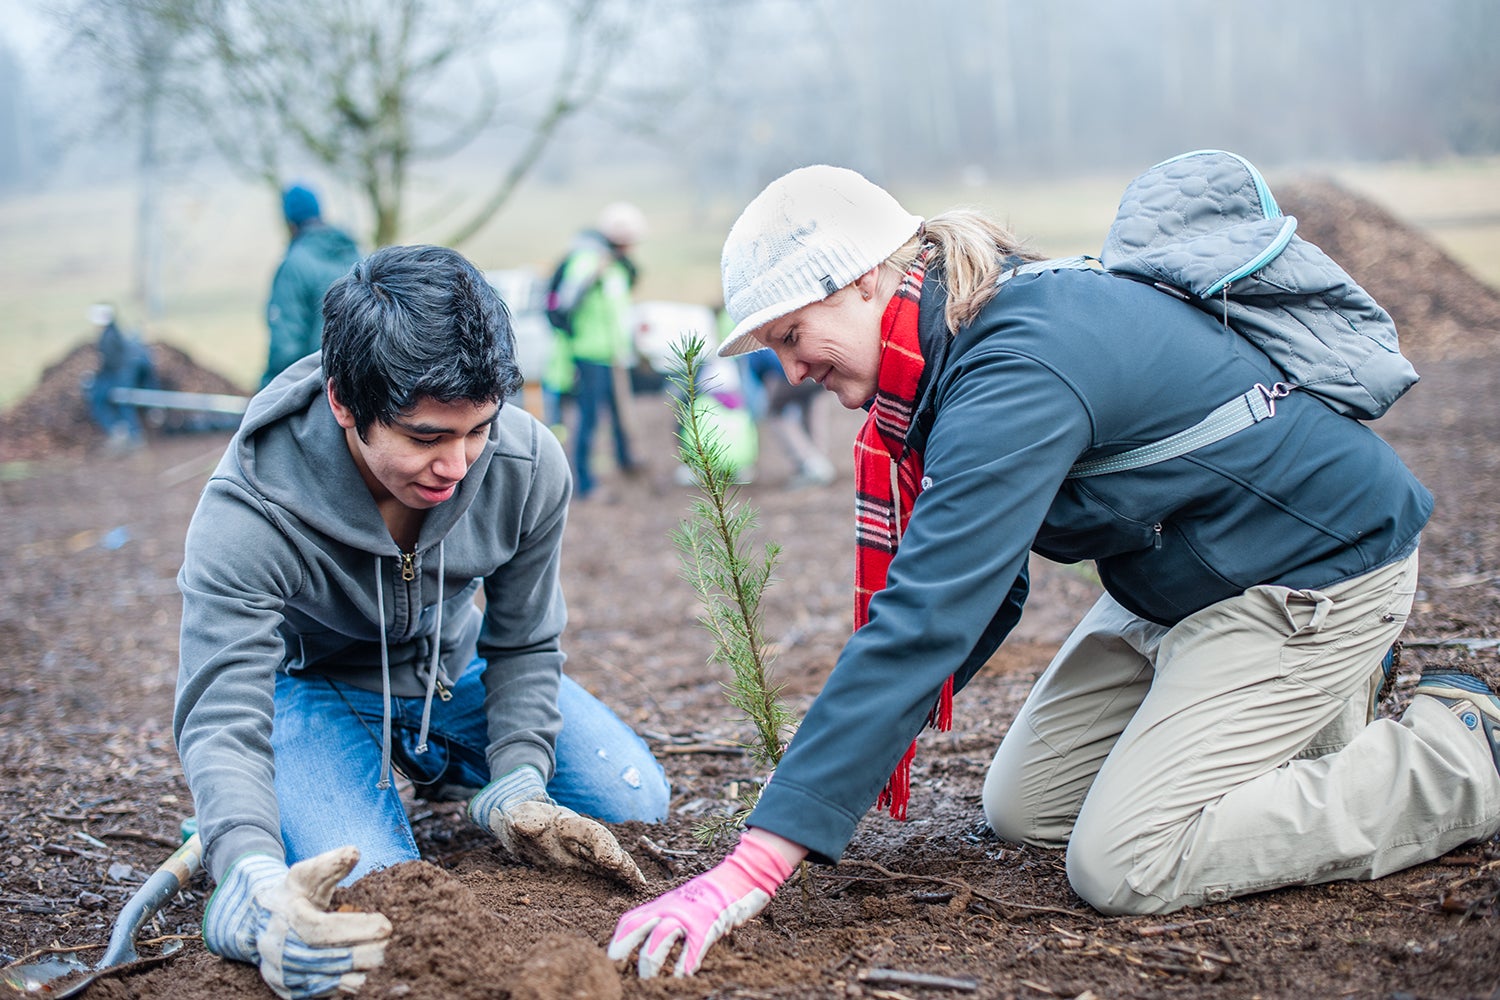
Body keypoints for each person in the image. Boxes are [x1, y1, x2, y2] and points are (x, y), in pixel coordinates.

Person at [609, 164, 1500, 977]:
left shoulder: (1015, 365)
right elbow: (980, 593)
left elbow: (927, 616)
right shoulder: (952, 349)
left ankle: (1459, 752)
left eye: (793, 334)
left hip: (1313, 571)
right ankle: (1304, 716)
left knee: (1126, 861)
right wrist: (833, 767)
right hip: (1182, 582)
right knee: (1025, 810)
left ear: (865, 278)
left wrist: (756, 862)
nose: (792, 369)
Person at [175, 244, 670, 999]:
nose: (459, 465)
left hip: (451, 675)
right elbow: (221, 715)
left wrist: (520, 780)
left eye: (478, 429)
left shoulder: (527, 464)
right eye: (426, 438)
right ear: (345, 402)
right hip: (316, 690)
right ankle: (249, 836)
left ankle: (449, 779)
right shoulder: (250, 511)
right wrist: (247, 867)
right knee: (378, 893)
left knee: (634, 801)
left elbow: (525, 642)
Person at [550, 201, 647, 499]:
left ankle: (626, 462)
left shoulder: (618, 267)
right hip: (589, 354)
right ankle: (584, 482)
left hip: (614, 354)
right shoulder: (586, 261)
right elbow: (566, 302)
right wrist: (593, 275)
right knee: (589, 418)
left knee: (619, 414)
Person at [260, 183, 362, 389]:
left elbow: (286, 344)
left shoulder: (295, 265)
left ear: (290, 222)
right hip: (360, 386)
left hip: (314, 387)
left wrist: (267, 392)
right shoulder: (356, 255)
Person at [744, 346, 834, 489]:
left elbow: (758, 363)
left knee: (775, 413)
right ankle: (819, 458)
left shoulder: (751, 338)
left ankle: (810, 463)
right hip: (813, 366)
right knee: (811, 407)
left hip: (782, 372)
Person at [84, 302, 158, 450]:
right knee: (123, 400)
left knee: (115, 400)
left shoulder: (108, 338)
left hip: (122, 374)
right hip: (126, 372)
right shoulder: (115, 333)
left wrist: (98, 377)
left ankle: (126, 433)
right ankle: (132, 431)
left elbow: (111, 363)